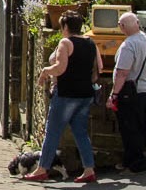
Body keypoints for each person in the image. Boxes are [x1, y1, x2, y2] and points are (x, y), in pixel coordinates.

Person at [24, 12, 101, 183]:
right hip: (85, 94)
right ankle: (89, 169)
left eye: (61, 27)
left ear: (66, 27)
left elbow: (60, 68)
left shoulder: (65, 43)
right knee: (81, 132)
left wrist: (45, 71)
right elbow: (98, 69)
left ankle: (42, 168)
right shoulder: (90, 43)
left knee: (53, 132)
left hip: (67, 94)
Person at [107, 11, 146, 173]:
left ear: (122, 27)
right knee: (143, 127)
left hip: (134, 93)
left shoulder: (128, 45)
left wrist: (113, 95)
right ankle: (130, 161)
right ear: (137, 23)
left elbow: (122, 73)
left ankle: (137, 164)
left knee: (130, 129)